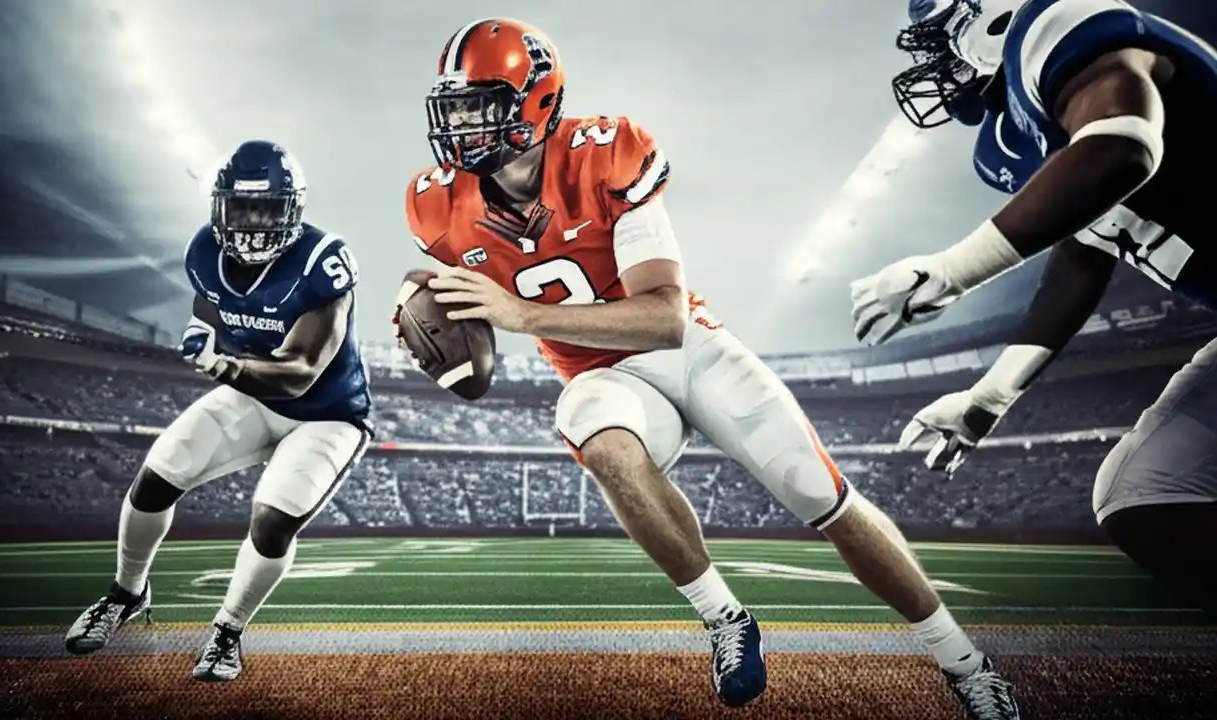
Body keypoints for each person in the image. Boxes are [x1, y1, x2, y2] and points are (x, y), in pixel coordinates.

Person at [404, 18, 1020, 716]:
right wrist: (429, 324)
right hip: (604, 379)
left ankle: (964, 662)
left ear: (537, 101)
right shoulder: (434, 206)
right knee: (586, 426)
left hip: (690, 352)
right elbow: (464, 307)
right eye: (452, 109)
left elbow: (663, 316)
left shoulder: (607, 154)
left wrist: (522, 318)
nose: (462, 127)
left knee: (825, 500)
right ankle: (726, 617)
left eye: (479, 106)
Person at [852, 0, 1216, 606]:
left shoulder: (1057, 21)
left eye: (942, 40)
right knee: (1146, 495)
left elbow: (1123, 146)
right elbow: (1083, 253)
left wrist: (951, 270)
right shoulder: (1012, 137)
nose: (938, 64)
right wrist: (987, 398)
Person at [63, 140, 373, 680]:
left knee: (272, 520)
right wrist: (200, 332)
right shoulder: (204, 252)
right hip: (253, 396)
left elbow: (301, 370)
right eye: (241, 207)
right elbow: (210, 308)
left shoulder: (321, 260)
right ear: (219, 207)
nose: (252, 223)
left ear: (293, 210)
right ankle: (126, 594)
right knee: (156, 477)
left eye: (267, 208)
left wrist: (226, 366)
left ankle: (227, 630)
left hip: (326, 412)